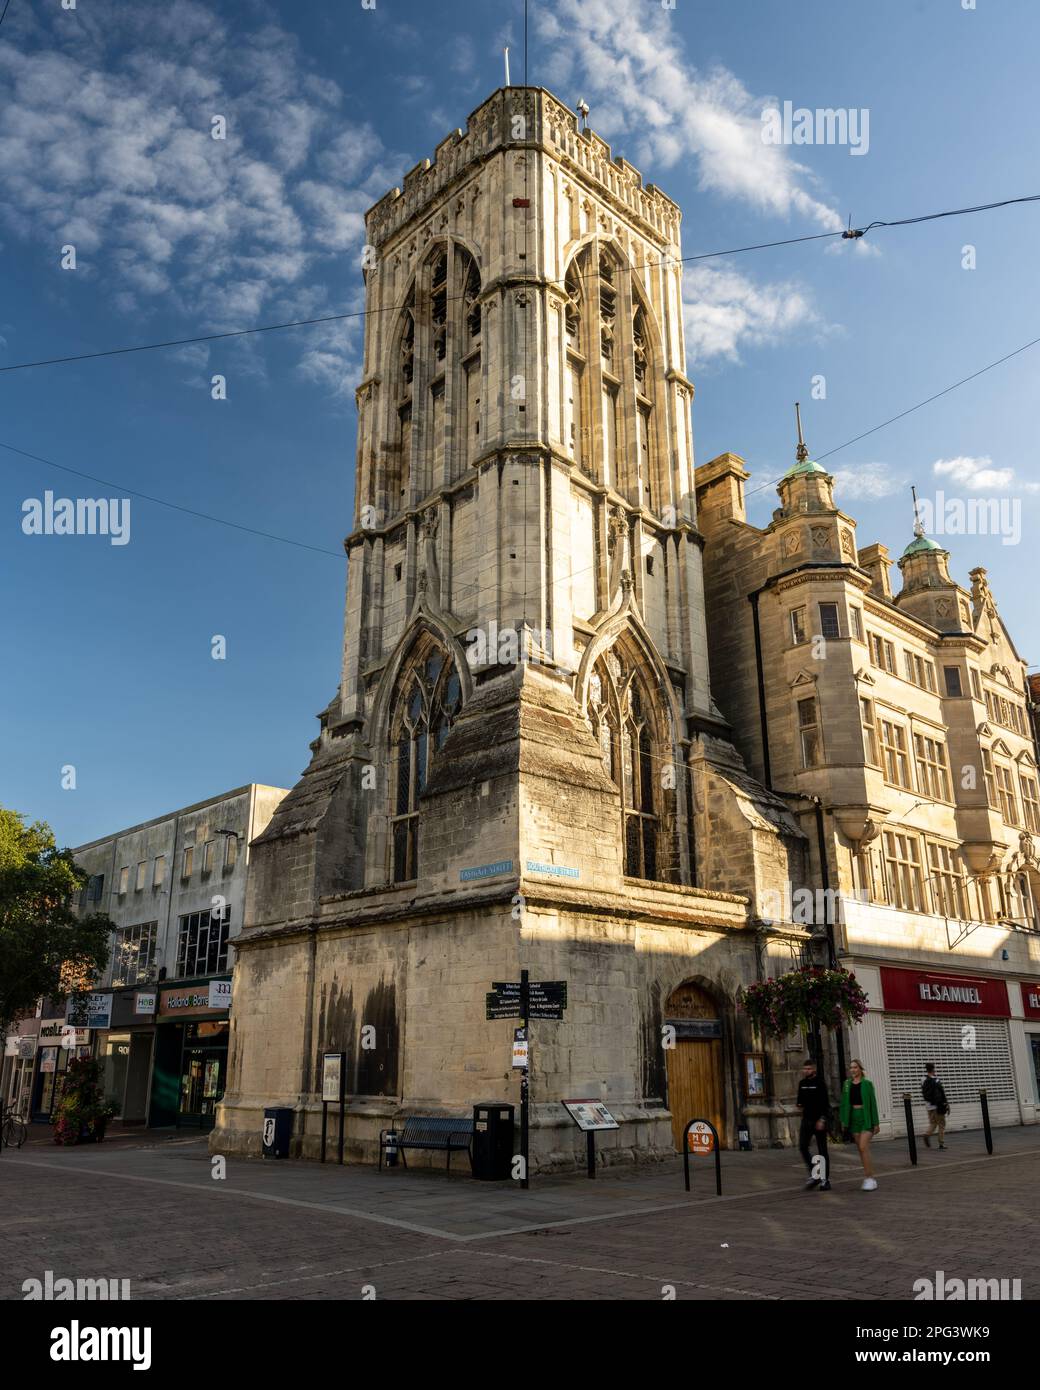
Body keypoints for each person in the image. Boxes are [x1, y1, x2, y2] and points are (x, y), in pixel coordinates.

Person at [839, 1057, 881, 1190]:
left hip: (865, 1117)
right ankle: (869, 1177)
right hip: (854, 1118)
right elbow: (844, 1103)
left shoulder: (867, 1084)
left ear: (860, 1069)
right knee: (861, 1150)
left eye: (855, 1067)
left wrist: (876, 1123)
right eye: (851, 1067)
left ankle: (870, 1178)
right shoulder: (846, 1084)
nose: (852, 1070)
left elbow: (873, 1104)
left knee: (863, 1147)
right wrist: (844, 1120)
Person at [796, 1056, 831, 1190]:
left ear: (814, 1069)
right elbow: (800, 1103)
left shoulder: (820, 1083)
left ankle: (825, 1179)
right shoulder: (802, 1084)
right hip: (807, 1120)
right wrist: (799, 1106)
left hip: (819, 1120)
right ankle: (815, 1173)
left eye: (809, 1068)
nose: (806, 1071)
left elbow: (825, 1104)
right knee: (803, 1146)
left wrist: (822, 1119)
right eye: (805, 1068)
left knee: (822, 1150)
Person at [921, 1063, 948, 1149]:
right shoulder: (936, 1080)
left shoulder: (923, 1079)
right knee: (941, 1124)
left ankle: (927, 1134)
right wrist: (946, 1103)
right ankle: (941, 1143)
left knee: (933, 1123)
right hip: (937, 1105)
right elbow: (941, 1093)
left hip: (928, 1105)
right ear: (933, 1069)